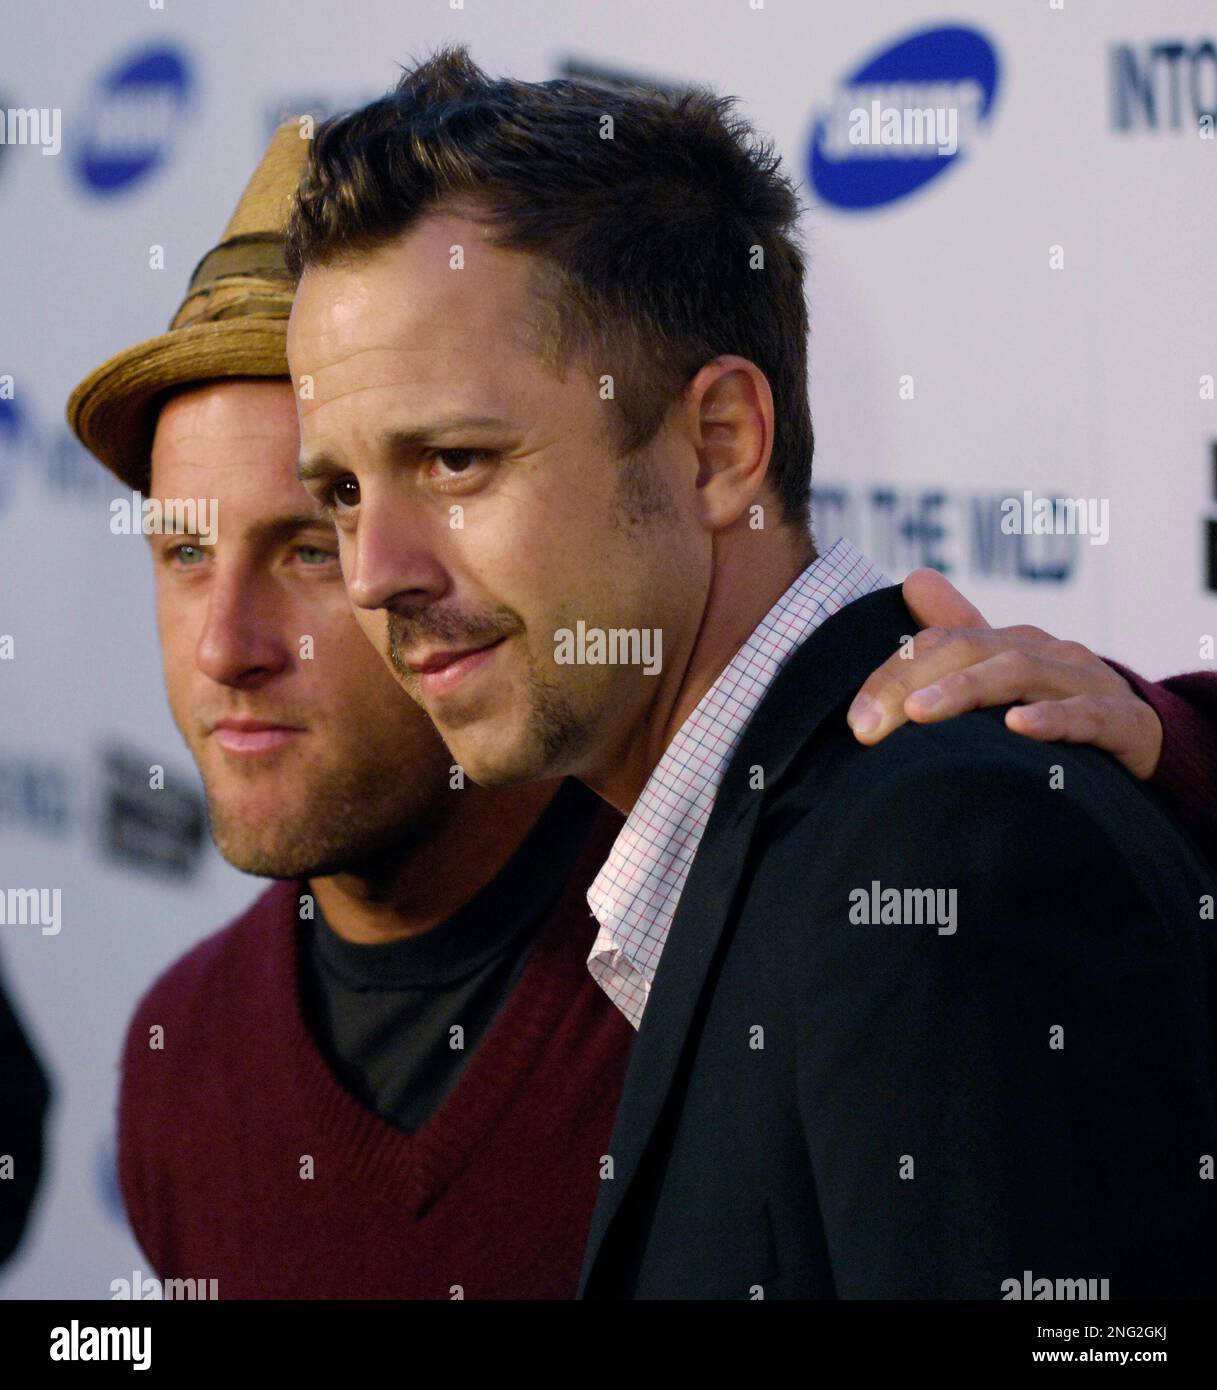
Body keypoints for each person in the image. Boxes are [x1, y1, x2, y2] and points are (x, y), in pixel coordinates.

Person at [283, 47, 1217, 1298]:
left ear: (719, 445)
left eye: (454, 460)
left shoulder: (935, 854)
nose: (371, 571)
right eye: (340, 492)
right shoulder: (789, 841)